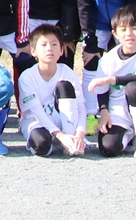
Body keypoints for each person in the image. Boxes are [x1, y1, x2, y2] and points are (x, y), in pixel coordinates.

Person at [89, 6, 136, 158]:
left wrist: (111, 79)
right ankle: (130, 134)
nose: (129, 34)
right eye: (123, 30)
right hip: (117, 110)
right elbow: (102, 92)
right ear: (115, 34)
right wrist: (104, 111)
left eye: (134, 28)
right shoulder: (107, 59)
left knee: (133, 87)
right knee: (108, 148)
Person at [15, 24, 87, 157]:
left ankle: (70, 140)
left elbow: (81, 107)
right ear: (33, 51)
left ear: (61, 50)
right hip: (37, 121)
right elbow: (36, 111)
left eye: (54, 44)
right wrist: (60, 136)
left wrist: (80, 135)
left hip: (62, 121)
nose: (49, 49)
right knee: (42, 146)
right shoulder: (27, 77)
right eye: (43, 45)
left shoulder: (67, 72)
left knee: (64, 86)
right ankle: (59, 142)